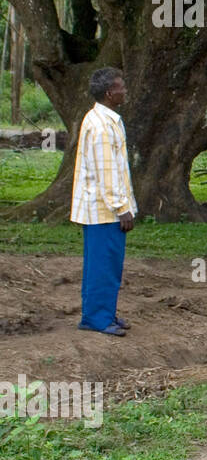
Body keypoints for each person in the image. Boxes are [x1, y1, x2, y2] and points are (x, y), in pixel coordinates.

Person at [71, 67, 137, 337]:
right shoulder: (101, 125)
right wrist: (123, 209)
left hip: (100, 209)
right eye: (121, 86)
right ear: (110, 93)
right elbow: (106, 172)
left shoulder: (104, 118)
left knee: (103, 264)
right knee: (103, 265)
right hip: (103, 211)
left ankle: (101, 313)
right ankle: (98, 318)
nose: (125, 90)